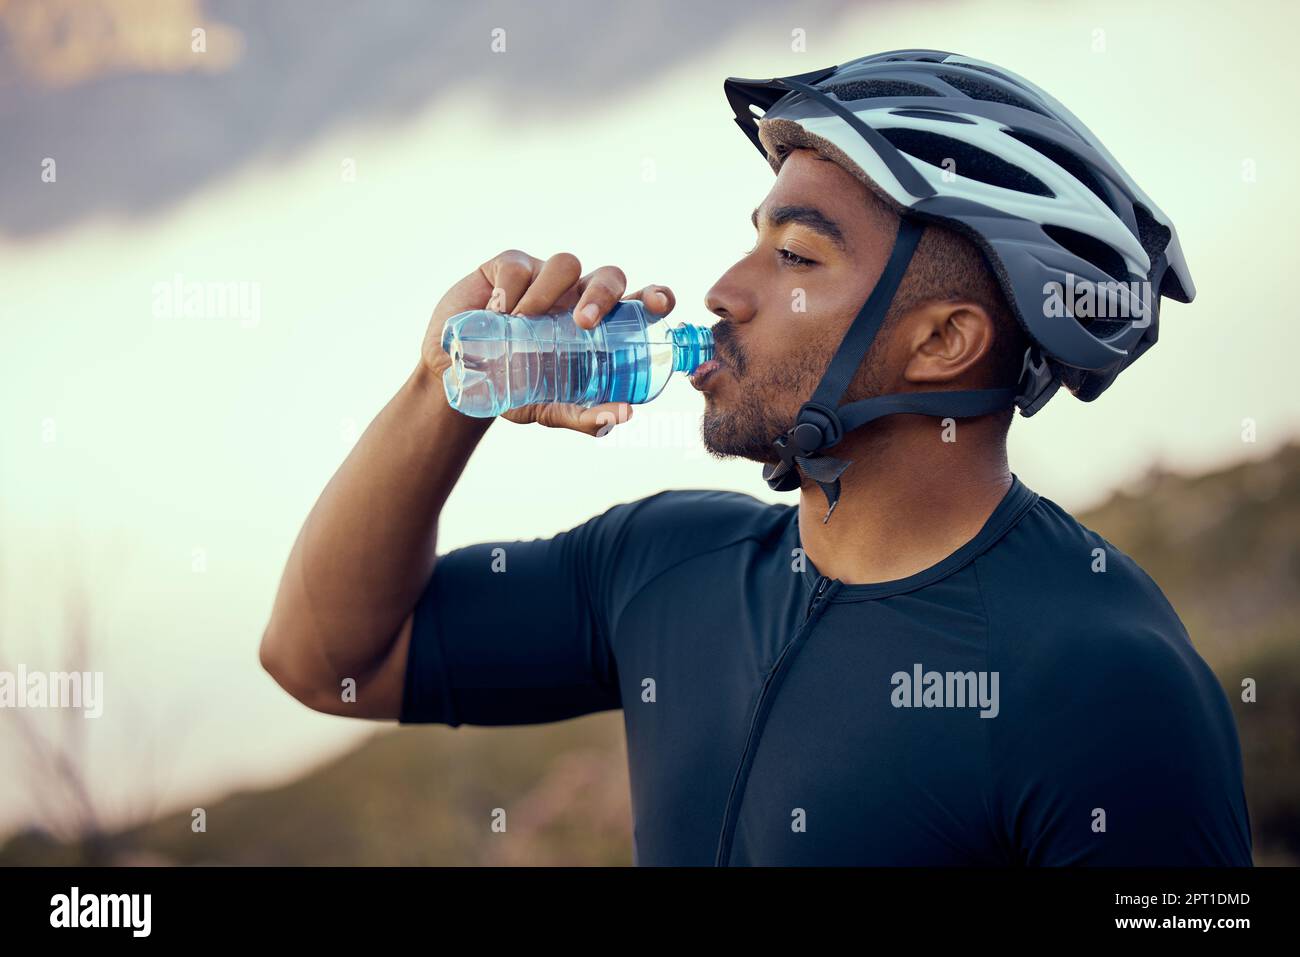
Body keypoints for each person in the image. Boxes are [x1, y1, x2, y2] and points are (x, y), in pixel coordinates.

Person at [259, 50, 1252, 866]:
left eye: (795, 257)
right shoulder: (664, 564)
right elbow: (325, 660)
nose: (723, 290)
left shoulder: (1102, 682)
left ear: (942, 343)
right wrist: (443, 388)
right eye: (754, 241)